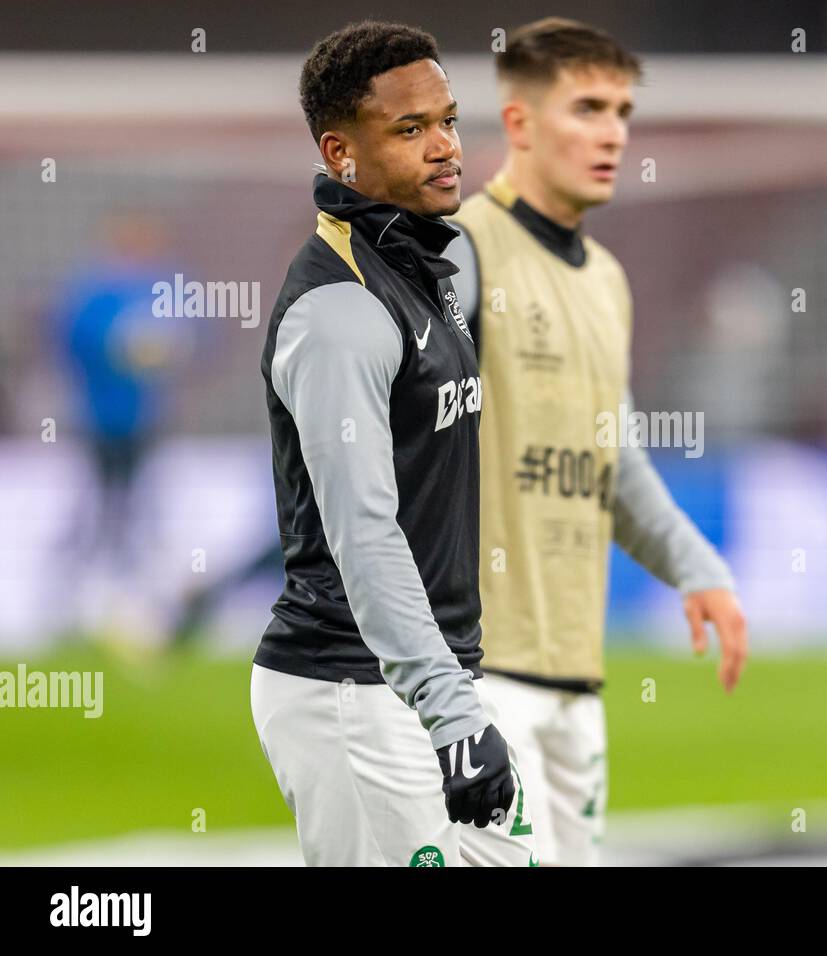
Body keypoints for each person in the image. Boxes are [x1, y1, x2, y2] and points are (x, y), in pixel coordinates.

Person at [443, 17, 748, 866]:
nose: (613, 131)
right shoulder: (461, 253)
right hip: (479, 674)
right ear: (519, 125)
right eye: (586, 107)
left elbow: (614, 460)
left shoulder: (608, 280)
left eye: (621, 110)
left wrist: (698, 569)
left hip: (576, 676)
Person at [249, 20, 535, 867]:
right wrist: (450, 708)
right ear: (339, 153)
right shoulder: (338, 314)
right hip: (351, 690)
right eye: (410, 130)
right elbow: (364, 532)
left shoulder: (431, 265)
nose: (446, 146)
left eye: (448, 120)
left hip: (427, 681)